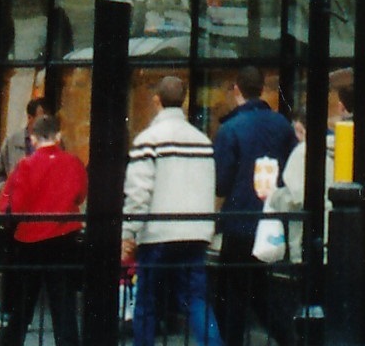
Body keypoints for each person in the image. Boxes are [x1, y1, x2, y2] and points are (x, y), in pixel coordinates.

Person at [123, 75, 223, 346]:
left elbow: (138, 193)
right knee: (197, 300)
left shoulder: (148, 140)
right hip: (195, 233)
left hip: (158, 233)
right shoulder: (202, 141)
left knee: (147, 302)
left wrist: (128, 231)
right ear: (185, 100)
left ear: (157, 100)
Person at [213, 67, 296, 346]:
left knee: (231, 291)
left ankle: (235, 341)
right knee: (259, 289)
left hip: (238, 220)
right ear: (262, 89)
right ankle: (288, 338)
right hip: (271, 217)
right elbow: (291, 169)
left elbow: (222, 183)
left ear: (237, 89)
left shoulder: (230, 129)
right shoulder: (282, 125)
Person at [0, 114, 86, 346]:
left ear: (33, 138)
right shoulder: (73, 162)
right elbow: (80, 194)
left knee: (22, 304)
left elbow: (8, 205)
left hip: (30, 240)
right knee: (63, 303)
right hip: (63, 238)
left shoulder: (25, 165)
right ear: (58, 136)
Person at [0, 98, 50, 200]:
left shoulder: (54, 143)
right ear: (30, 118)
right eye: (41, 119)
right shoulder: (12, 142)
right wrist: (7, 191)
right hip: (17, 206)